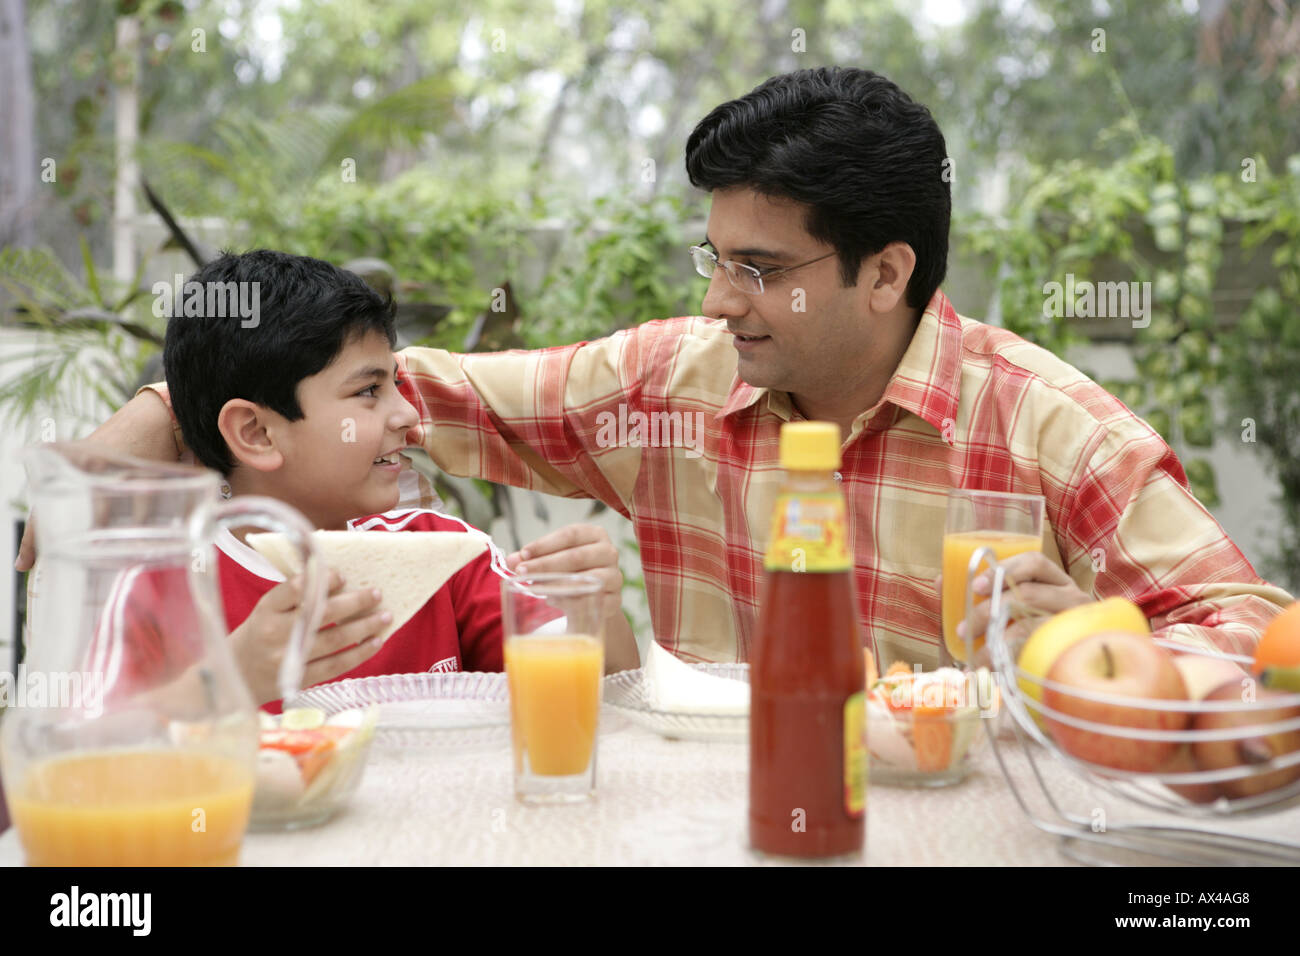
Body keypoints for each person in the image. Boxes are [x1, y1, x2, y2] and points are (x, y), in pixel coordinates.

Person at [25, 67, 1291, 669]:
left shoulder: (1048, 431)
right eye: (713, 255)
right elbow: (373, 392)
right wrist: (161, 412)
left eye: (758, 268)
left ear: (886, 271)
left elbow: (1251, 632)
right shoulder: (667, 391)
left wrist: (1098, 632)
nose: (715, 298)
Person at [78, 249, 639, 711]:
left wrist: (597, 609)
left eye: (396, 384)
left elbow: (601, 698)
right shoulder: (160, 585)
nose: (409, 417)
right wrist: (231, 679)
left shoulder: (443, 552)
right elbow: (81, 776)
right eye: (368, 392)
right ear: (256, 433)